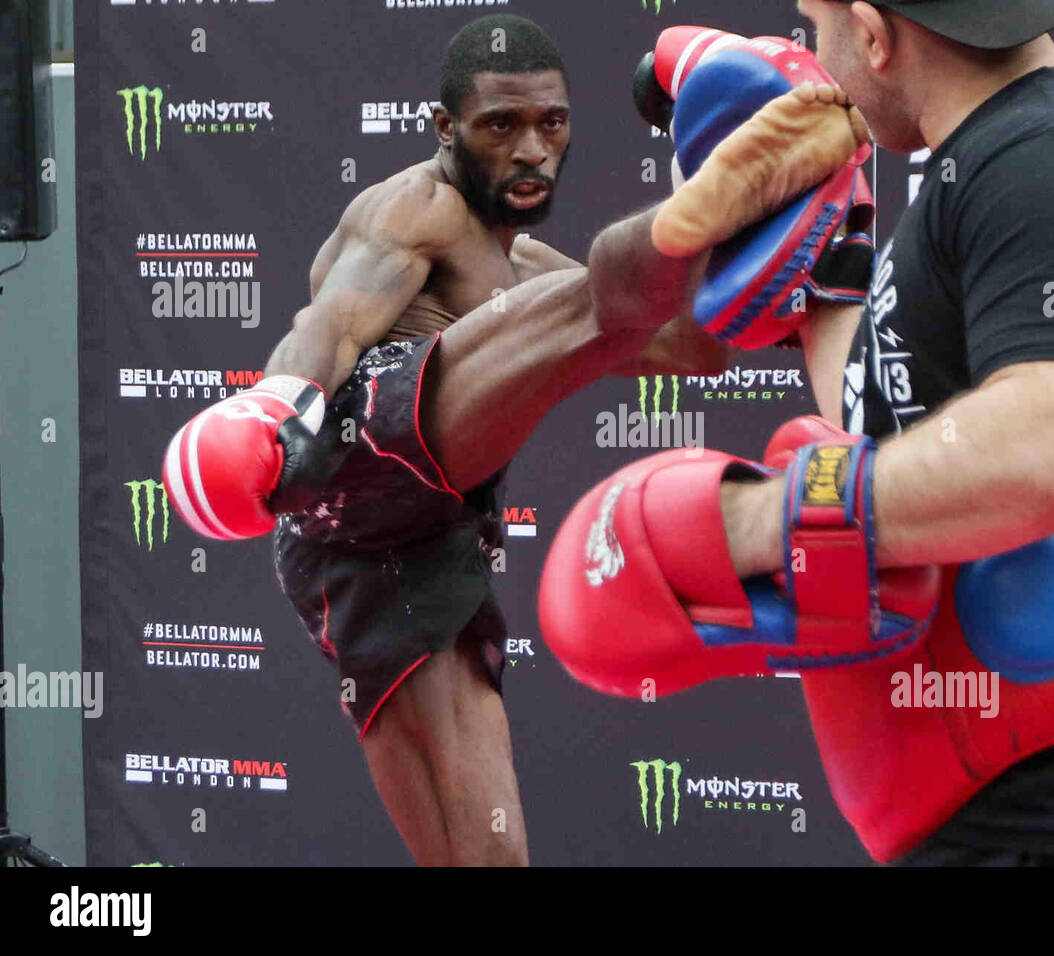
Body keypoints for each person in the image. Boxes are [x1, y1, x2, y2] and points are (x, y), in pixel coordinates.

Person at [538, 2, 1054, 866]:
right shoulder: (979, 171)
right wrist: (814, 249)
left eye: (817, 25)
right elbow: (885, 426)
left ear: (872, 30)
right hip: (1033, 811)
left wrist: (756, 523)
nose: (815, 54)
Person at [161, 13, 870, 865]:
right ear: (444, 129)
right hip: (360, 455)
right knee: (598, 308)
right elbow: (332, 324)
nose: (532, 149)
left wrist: (821, 247)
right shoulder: (414, 208)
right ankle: (711, 192)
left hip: (410, 553)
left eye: (552, 123)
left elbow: (692, 346)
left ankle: (710, 196)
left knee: (485, 857)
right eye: (502, 125)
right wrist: (274, 405)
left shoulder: (524, 268)